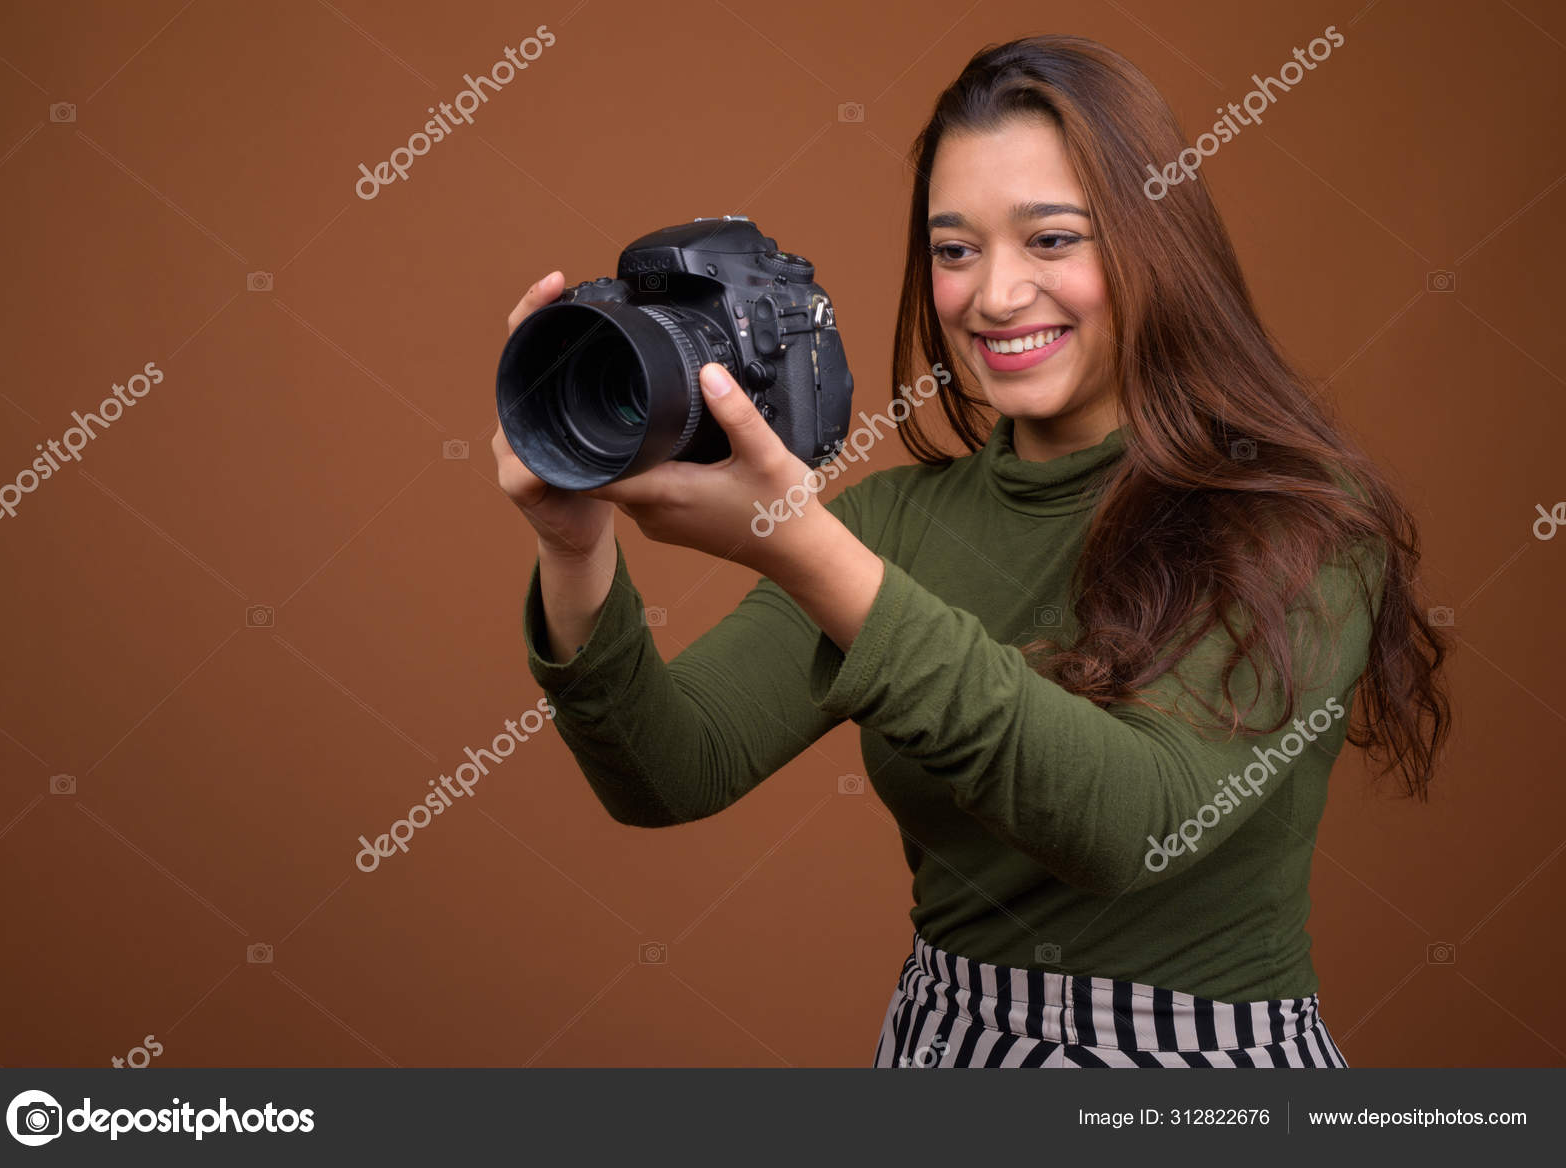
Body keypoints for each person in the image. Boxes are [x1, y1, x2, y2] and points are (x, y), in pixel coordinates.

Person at [491, 34, 1451, 1068]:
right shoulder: (892, 524)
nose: (993, 297)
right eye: (955, 250)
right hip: (943, 1046)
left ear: (1153, 245)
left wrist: (802, 547)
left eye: (1050, 240)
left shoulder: (1300, 521)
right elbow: (670, 769)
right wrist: (573, 545)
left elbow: (1133, 822)